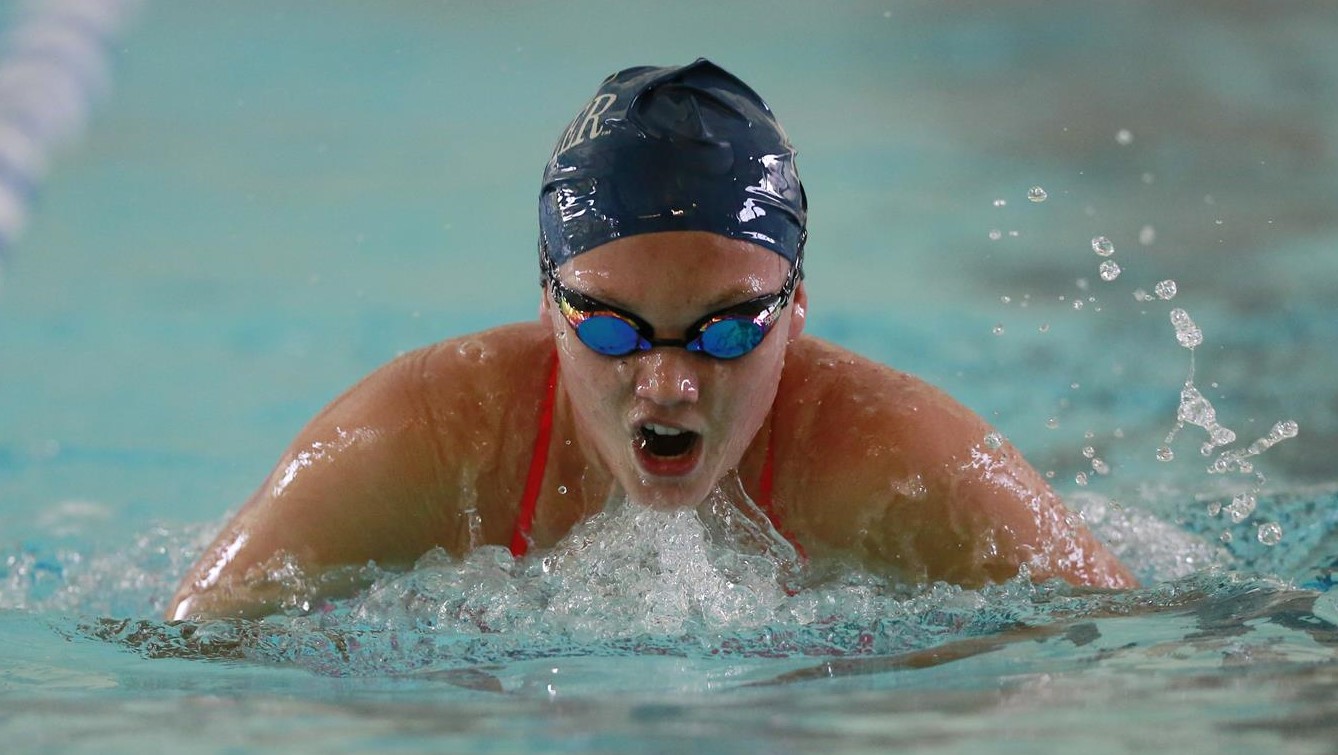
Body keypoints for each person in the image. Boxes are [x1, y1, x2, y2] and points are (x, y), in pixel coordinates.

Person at [166, 59, 1134, 622]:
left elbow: (1138, 643)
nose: (666, 382)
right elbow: (187, 650)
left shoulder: (904, 460)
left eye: (725, 328)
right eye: (610, 325)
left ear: (796, 310)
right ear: (547, 303)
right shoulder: (421, 439)